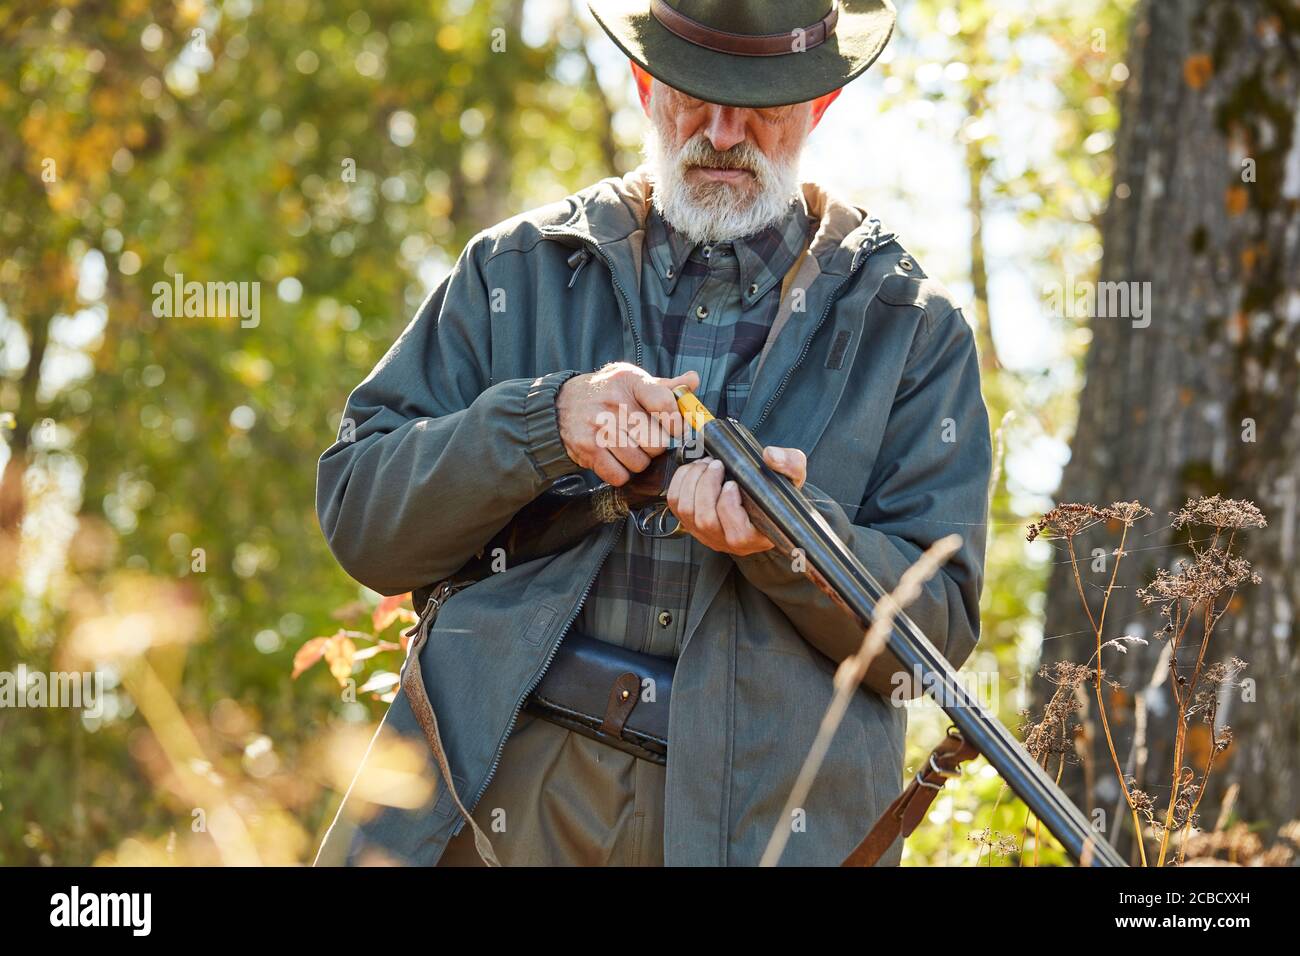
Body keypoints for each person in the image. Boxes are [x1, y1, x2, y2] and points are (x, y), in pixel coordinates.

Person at [315, 0, 991, 867]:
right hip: (496, 794)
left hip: (765, 831)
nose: (722, 131)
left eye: (761, 104)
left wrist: (787, 541)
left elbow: (927, 647)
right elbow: (362, 518)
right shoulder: (509, 270)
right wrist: (543, 423)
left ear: (817, 107)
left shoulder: (916, 331)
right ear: (644, 83)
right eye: (696, 94)